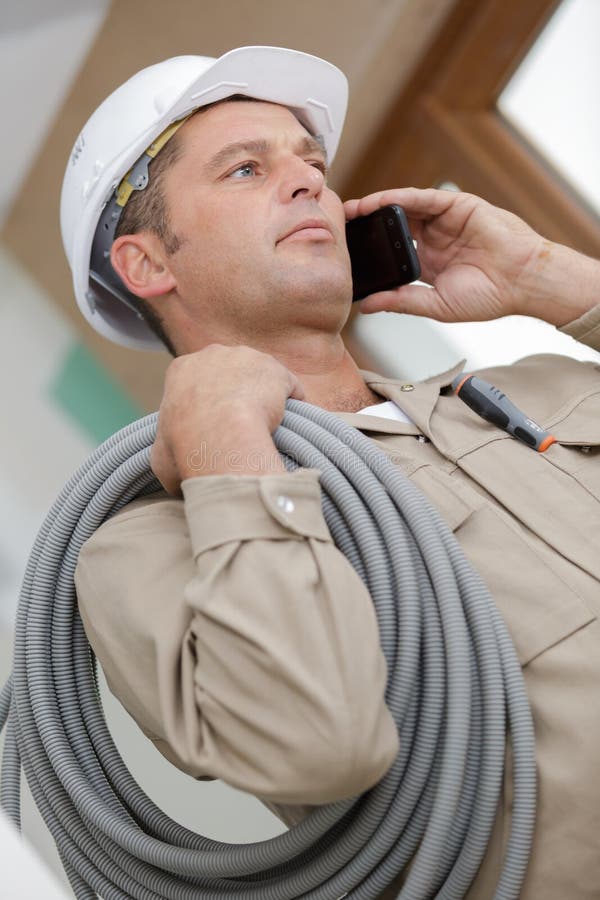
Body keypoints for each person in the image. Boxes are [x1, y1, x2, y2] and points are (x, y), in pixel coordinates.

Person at [62, 47, 600, 900]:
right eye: (247, 168)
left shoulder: (541, 389)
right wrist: (225, 445)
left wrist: (553, 280)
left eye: (311, 163)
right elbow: (322, 743)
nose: (310, 181)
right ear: (149, 265)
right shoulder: (144, 551)